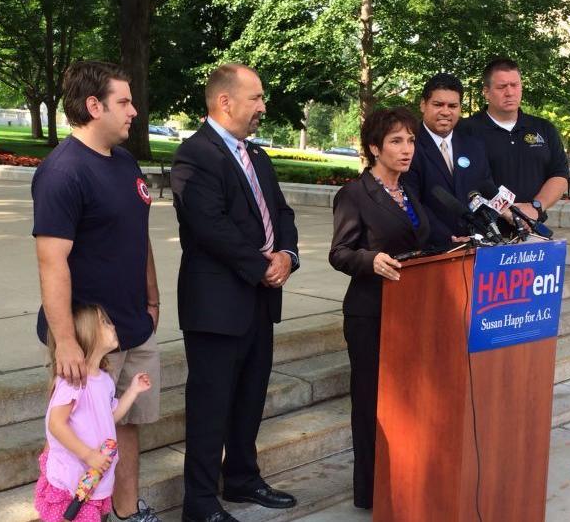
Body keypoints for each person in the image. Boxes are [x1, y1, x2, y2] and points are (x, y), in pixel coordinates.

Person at [31, 60, 161, 522]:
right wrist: (65, 339)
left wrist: (152, 300)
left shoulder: (125, 162)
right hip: (88, 335)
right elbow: (52, 260)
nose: (134, 111)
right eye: (123, 102)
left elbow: (138, 233)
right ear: (94, 106)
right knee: (84, 427)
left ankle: (126, 512)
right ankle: (79, 513)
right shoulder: (62, 173)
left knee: (126, 423)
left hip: (133, 323)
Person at [171, 63, 300, 522]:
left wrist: (287, 254)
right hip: (217, 305)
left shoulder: (257, 156)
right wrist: (261, 265)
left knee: (250, 395)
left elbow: (281, 212)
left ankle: (242, 479)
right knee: (210, 405)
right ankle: (201, 503)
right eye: (256, 98)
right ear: (225, 102)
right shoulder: (194, 155)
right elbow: (210, 227)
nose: (263, 106)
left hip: (260, 301)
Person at [329, 107, 430, 510]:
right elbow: (340, 253)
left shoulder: (411, 193)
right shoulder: (354, 194)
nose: (406, 150)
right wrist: (369, 260)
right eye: (396, 141)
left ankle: (405, 477)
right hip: (370, 313)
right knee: (371, 401)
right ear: (374, 147)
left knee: (407, 400)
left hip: (412, 311)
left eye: (410, 141)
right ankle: (370, 490)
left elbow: (423, 239)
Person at [34, 303, 153, 522]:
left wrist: (133, 391)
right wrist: (88, 455)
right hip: (71, 478)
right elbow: (56, 424)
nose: (113, 326)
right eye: (105, 323)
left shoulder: (104, 379)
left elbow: (110, 417)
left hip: (93, 477)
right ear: (87, 334)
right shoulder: (73, 381)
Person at [460, 57, 569, 225]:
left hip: (532, 229)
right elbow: (464, 180)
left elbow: (560, 174)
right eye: (502, 87)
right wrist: (507, 212)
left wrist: (535, 208)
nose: (509, 92)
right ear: (486, 92)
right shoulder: (465, 130)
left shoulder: (543, 128)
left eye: (515, 85)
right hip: (481, 232)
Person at [404, 72, 494, 245]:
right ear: (423, 105)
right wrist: (448, 238)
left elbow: (485, 191)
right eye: (438, 104)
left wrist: (478, 234)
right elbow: (411, 203)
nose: (445, 112)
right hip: (428, 248)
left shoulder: (474, 146)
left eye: (452, 106)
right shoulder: (408, 145)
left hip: (473, 245)